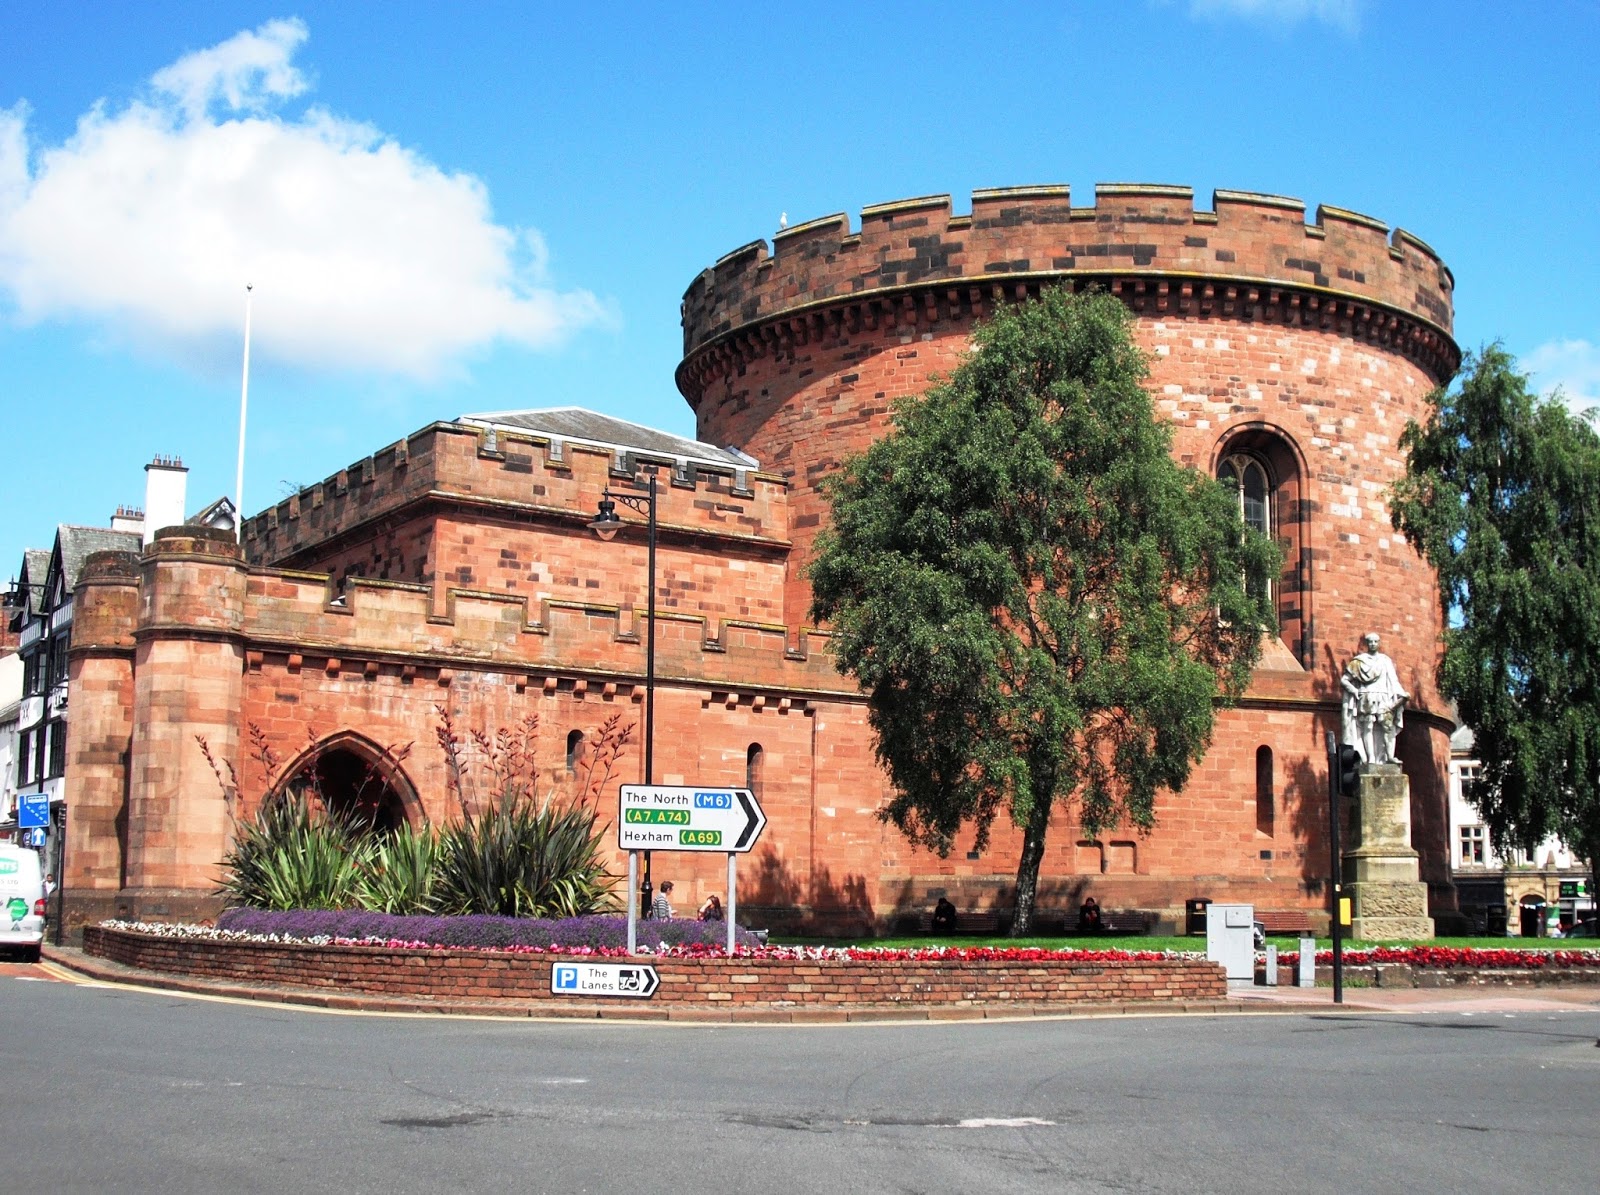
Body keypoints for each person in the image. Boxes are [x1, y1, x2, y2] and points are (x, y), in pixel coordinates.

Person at [1340, 632, 1409, 764]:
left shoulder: (1385, 661)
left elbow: (1393, 681)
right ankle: (1370, 758)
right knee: (1368, 727)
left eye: (1375, 642)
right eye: (1370, 642)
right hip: (1367, 696)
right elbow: (1344, 680)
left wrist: (1401, 694)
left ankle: (1389, 756)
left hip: (1383, 697)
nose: (1373, 644)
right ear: (1367, 644)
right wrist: (1354, 690)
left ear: (1379, 643)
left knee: (1387, 726)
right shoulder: (1359, 661)